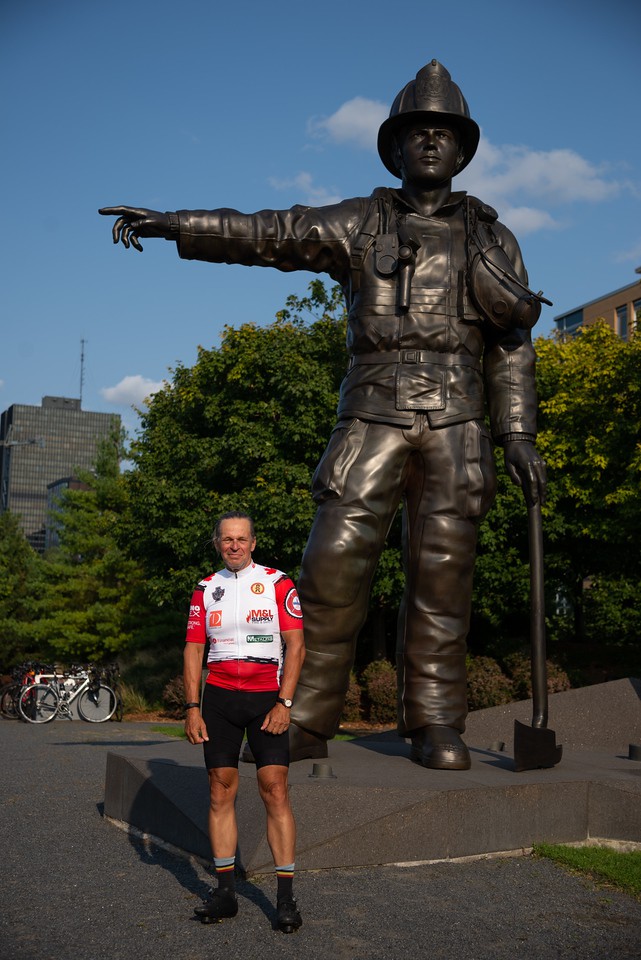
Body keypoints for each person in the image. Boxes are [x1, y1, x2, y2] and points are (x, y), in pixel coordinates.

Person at [101, 58, 548, 772]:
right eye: (415, 132)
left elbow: (512, 343)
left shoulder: (492, 239)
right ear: (394, 147)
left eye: (442, 133)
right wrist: (176, 225)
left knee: (443, 579)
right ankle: (303, 717)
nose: (429, 142)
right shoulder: (360, 219)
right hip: (370, 414)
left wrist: (517, 433)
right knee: (331, 569)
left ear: (462, 150)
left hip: (459, 422)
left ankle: (434, 721)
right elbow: (269, 232)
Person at [183, 511, 305, 932]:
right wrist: (192, 707)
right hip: (218, 700)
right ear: (218, 543)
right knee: (220, 790)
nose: (234, 545)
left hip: (265, 697)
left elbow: (296, 645)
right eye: (226, 539)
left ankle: (286, 898)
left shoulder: (277, 582)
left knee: (275, 790)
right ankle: (225, 893)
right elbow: (194, 649)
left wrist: (285, 702)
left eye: (242, 539)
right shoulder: (205, 587)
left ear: (253, 543)